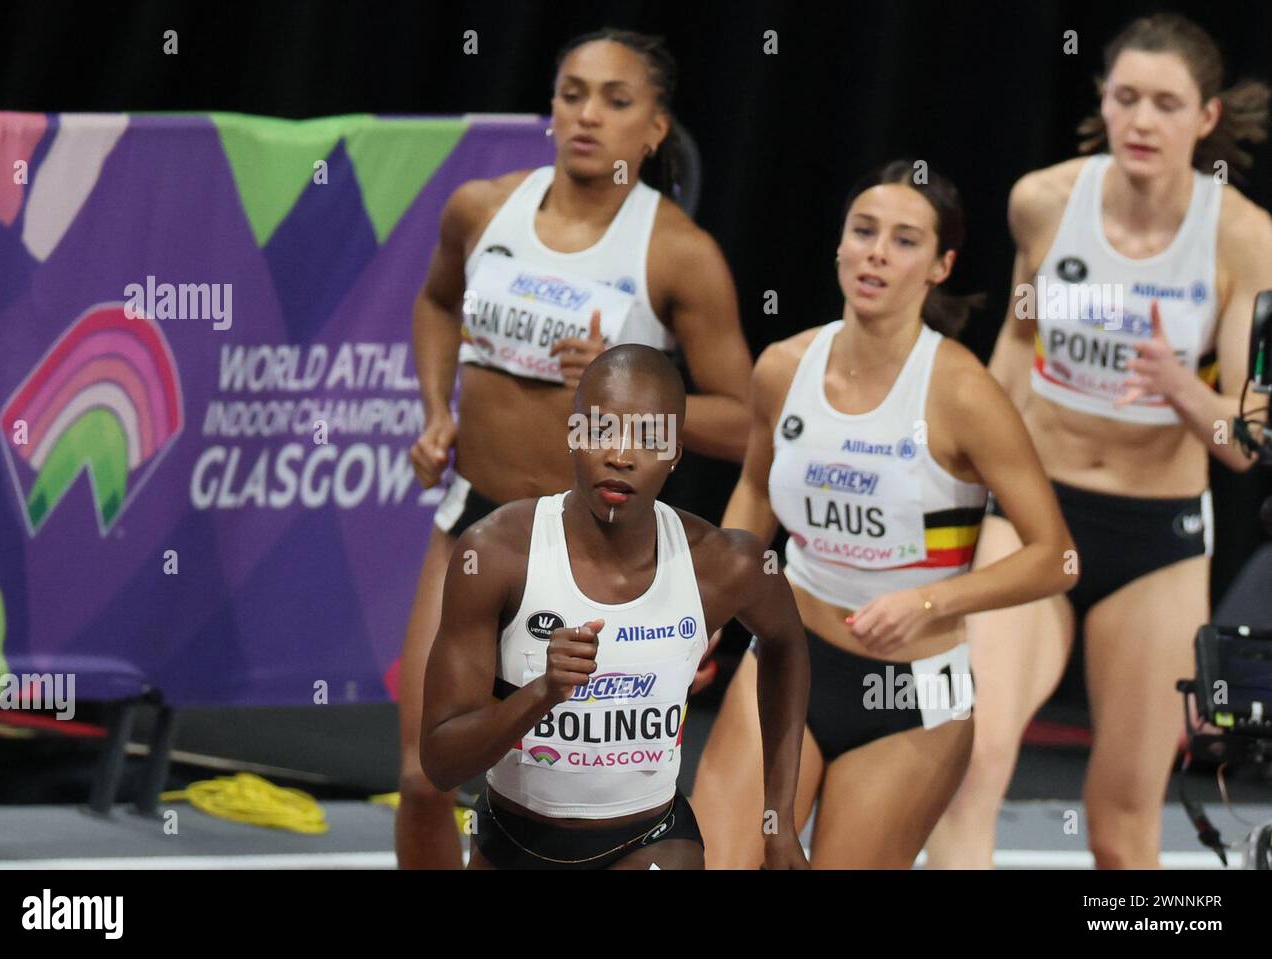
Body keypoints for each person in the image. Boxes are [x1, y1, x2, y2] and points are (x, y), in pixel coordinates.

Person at [396, 28, 753, 867]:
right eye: (572, 93)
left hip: (593, 552)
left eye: (616, 100)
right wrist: (434, 412)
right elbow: (436, 301)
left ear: (656, 128)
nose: (588, 115)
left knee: (568, 792)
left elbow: (744, 421)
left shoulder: (678, 255)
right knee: (423, 772)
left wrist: (633, 371)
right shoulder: (482, 208)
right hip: (479, 525)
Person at [927, 13, 1272, 869]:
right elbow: (1016, 337)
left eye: (1166, 103)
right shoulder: (1044, 201)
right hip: (1033, 513)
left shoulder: (1244, 240)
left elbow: (1247, 438)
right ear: (1104, 103)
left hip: (1156, 541)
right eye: (1126, 98)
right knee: (972, 761)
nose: (1142, 121)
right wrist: (960, 467)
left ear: (1206, 117)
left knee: (1121, 825)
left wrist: (1183, 389)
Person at [691, 160, 1077, 868]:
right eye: (863, 231)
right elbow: (754, 493)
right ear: (839, 245)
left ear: (940, 265)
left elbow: (1055, 555)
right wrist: (706, 611)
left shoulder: (964, 392)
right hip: (789, 661)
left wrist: (933, 599)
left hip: (914, 693)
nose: (876, 251)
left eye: (904, 240)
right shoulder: (784, 366)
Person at [418, 345, 809, 870]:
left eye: (648, 438)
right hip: (512, 837)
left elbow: (786, 644)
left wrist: (780, 822)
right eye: (601, 430)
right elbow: (441, 763)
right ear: (572, 433)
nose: (621, 455)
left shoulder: (725, 565)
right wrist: (542, 692)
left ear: (675, 452)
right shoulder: (495, 555)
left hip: (651, 837)